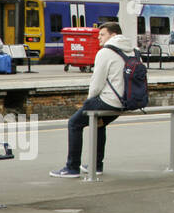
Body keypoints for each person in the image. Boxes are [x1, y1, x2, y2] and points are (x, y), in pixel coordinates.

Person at [50, 21, 137, 178]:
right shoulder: (133, 51)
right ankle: (96, 166)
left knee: (74, 123)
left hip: (109, 101)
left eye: (102, 34)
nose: (99, 38)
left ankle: (72, 168)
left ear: (113, 35)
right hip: (128, 101)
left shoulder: (105, 52)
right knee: (99, 124)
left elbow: (96, 83)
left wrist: (89, 102)